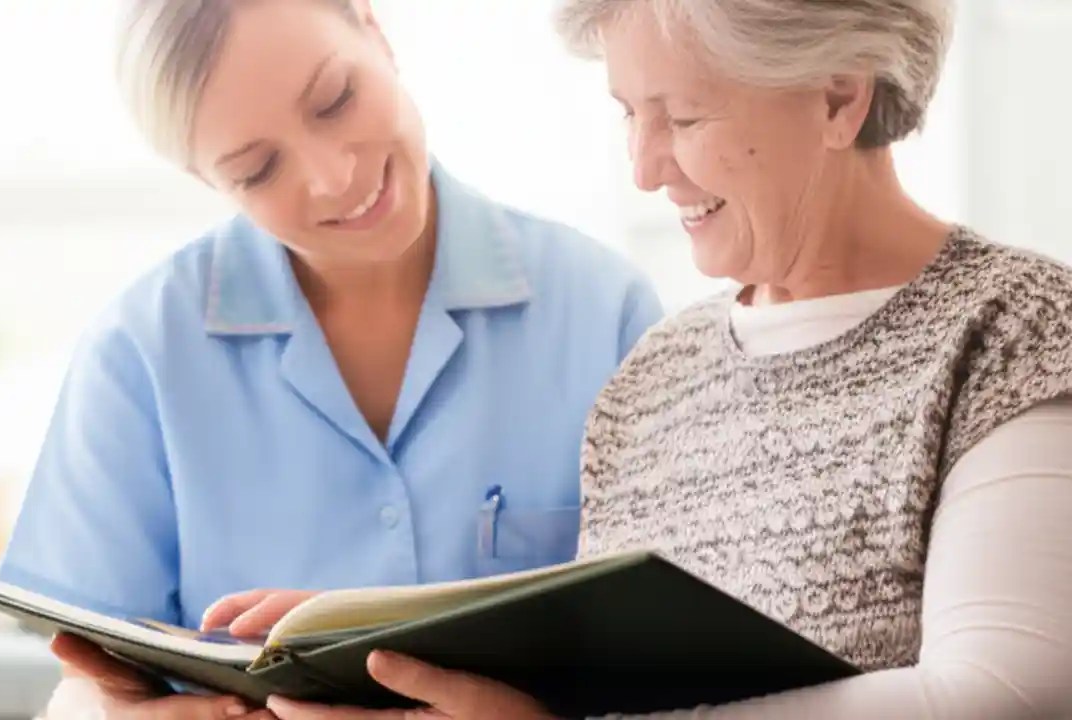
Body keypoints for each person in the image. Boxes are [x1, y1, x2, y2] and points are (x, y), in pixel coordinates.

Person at [257, 1, 1072, 719]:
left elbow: (1005, 698)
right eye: (629, 115)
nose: (646, 169)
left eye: (682, 118)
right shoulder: (653, 378)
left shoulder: (1014, 332)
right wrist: (382, 649)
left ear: (839, 94)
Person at [0, 0, 662, 717]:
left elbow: (685, 667)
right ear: (207, 181)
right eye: (256, 170)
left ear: (374, 31)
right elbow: (87, 679)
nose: (332, 177)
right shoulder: (140, 353)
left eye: (335, 100)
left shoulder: (604, 312)